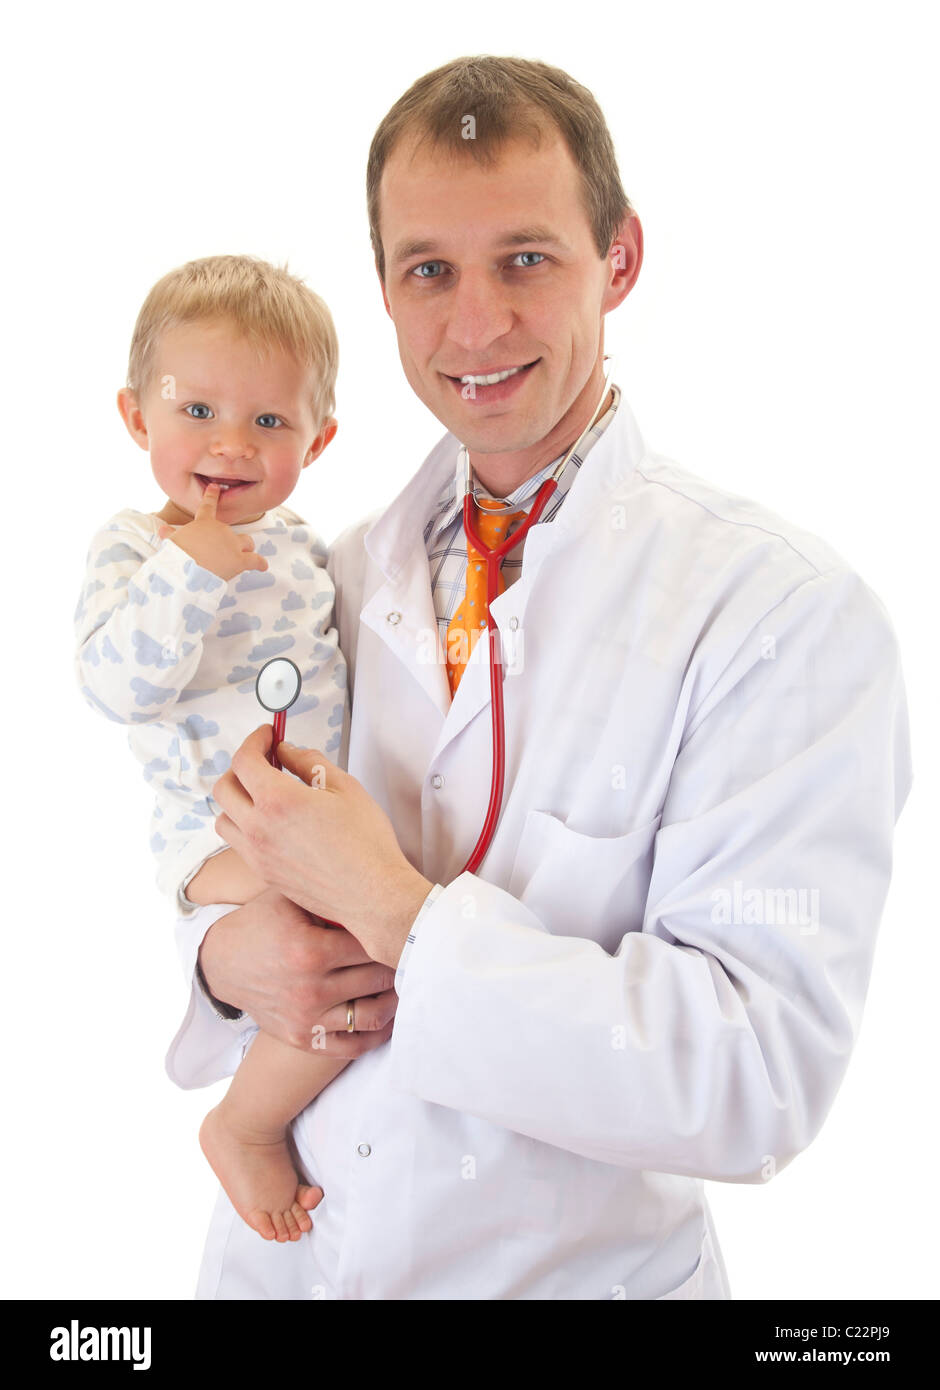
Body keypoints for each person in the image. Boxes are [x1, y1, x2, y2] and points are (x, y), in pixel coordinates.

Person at [169, 57, 913, 1300]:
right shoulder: (324, 575)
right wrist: (218, 961)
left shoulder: (781, 615)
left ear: (618, 261)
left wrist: (405, 917)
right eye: (430, 271)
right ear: (385, 292)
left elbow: (754, 1076)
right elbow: (210, 844)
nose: (474, 326)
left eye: (525, 259)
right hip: (283, 1269)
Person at [74, 253, 382, 1243]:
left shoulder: (306, 548)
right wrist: (186, 572)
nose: (231, 445)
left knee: (366, 948)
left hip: (306, 816)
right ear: (137, 419)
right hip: (213, 836)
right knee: (350, 942)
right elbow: (114, 684)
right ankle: (244, 1124)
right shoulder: (134, 550)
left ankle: (265, 1097)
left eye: (269, 421)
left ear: (319, 438)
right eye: (197, 411)